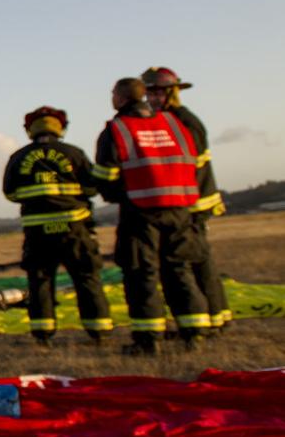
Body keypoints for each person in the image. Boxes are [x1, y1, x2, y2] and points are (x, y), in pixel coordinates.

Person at [92, 78, 209, 354]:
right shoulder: (173, 123)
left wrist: (122, 193)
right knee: (179, 269)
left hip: (141, 210)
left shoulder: (117, 128)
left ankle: (149, 339)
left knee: (141, 272)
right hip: (180, 209)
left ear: (121, 98)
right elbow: (193, 160)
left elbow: (105, 177)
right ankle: (194, 333)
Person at [1, 106, 113, 344]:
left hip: (37, 231)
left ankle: (43, 334)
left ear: (31, 130)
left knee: (40, 280)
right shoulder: (74, 153)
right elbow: (93, 187)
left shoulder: (19, 158)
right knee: (86, 277)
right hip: (74, 228)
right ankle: (99, 331)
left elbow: (10, 193)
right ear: (59, 128)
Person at [143, 67, 232, 331]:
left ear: (172, 93)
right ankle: (215, 318)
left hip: (192, 205)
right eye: (150, 92)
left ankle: (212, 320)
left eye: (158, 92)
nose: (152, 98)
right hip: (185, 204)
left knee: (195, 262)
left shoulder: (183, 122)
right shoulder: (171, 120)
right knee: (195, 261)